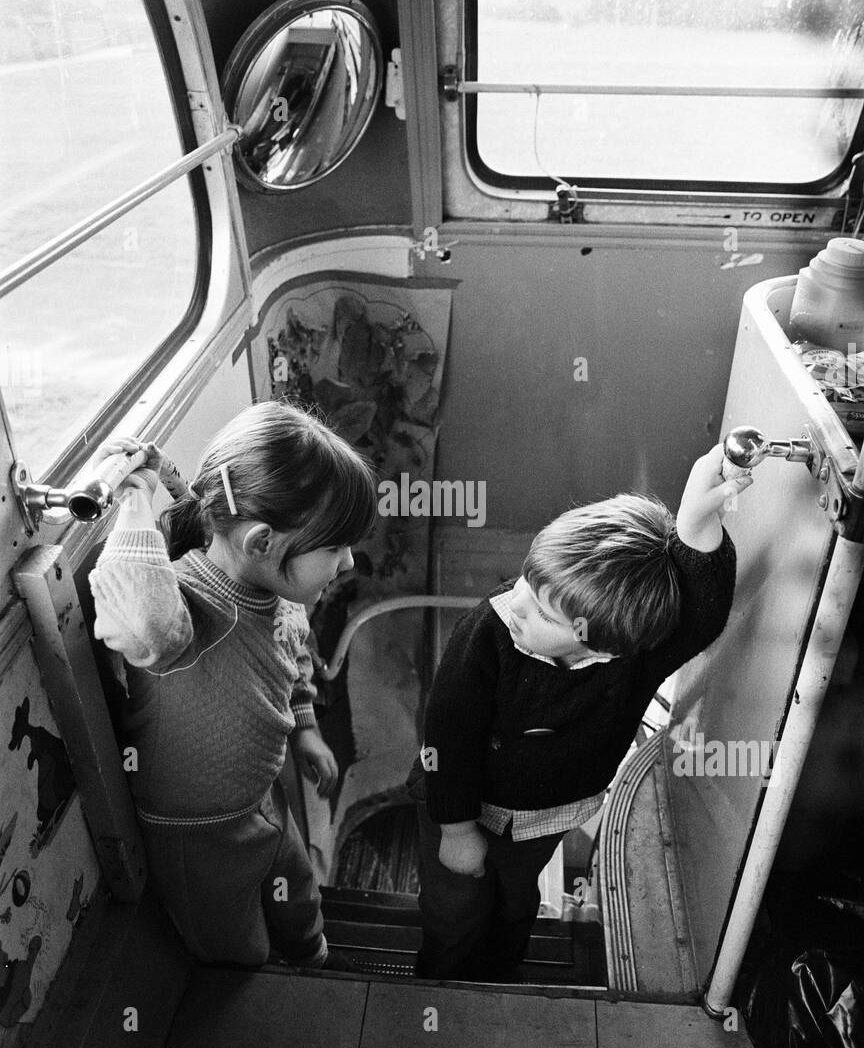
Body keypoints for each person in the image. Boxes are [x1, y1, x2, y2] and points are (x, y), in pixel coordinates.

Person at [407, 445, 749, 982]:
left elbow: (699, 621)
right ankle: (443, 978)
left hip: (544, 817)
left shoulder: (631, 660)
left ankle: (497, 975)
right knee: (454, 906)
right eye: (527, 578)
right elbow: (446, 736)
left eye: (543, 611)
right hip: (459, 807)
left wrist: (695, 528)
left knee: (515, 903)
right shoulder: (489, 634)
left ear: (605, 648)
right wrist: (455, 829)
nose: (515, 602)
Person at [89, 401, 376, 968]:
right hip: (197, 834)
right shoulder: (185, 613)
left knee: (297, 889)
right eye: (335, 547)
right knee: (230, 936)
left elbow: (288, 660)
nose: (347, 563)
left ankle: (310, 955)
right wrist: (135, 501)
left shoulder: (281, 596)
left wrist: (307, 728)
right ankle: (251, 983)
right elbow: (140, 622)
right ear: (262, 542)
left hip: (263, 798)